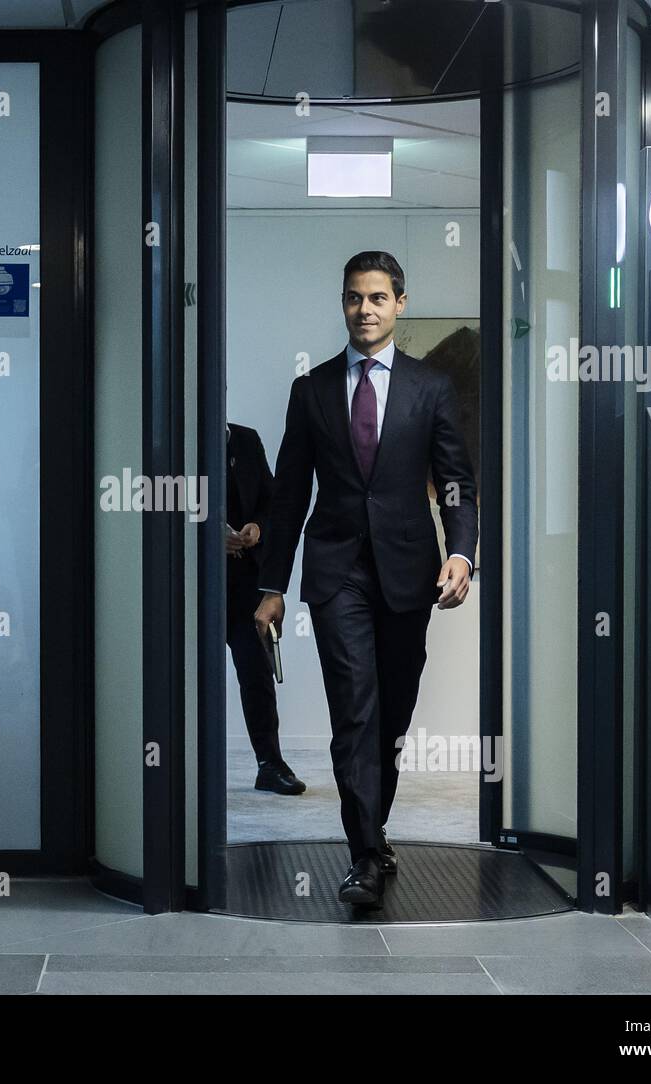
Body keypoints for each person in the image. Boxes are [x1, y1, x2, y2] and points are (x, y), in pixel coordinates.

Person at [253, 250, 477, 908]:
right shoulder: (313, 389)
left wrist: (461, 552)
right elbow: (290, 493)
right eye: (354, 297)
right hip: (336, 573)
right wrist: (273, 585)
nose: (364, 309)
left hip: (410, 575)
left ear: (399, 304)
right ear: (343, 303)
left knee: (391, 717)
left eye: (377, 298)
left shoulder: (430, 387)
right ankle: (364, 859)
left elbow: (456, 481)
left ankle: (372, 830)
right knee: (354, 711)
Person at [225, 422, 305, 796]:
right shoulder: (171, 437)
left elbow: (271, 502)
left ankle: (269, 764)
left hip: (244, 583)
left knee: (256, 673)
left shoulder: (246, 439)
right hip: (189, 585)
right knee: (181, 679)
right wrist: (210, 533)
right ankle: (173, 764)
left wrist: (257, 526)